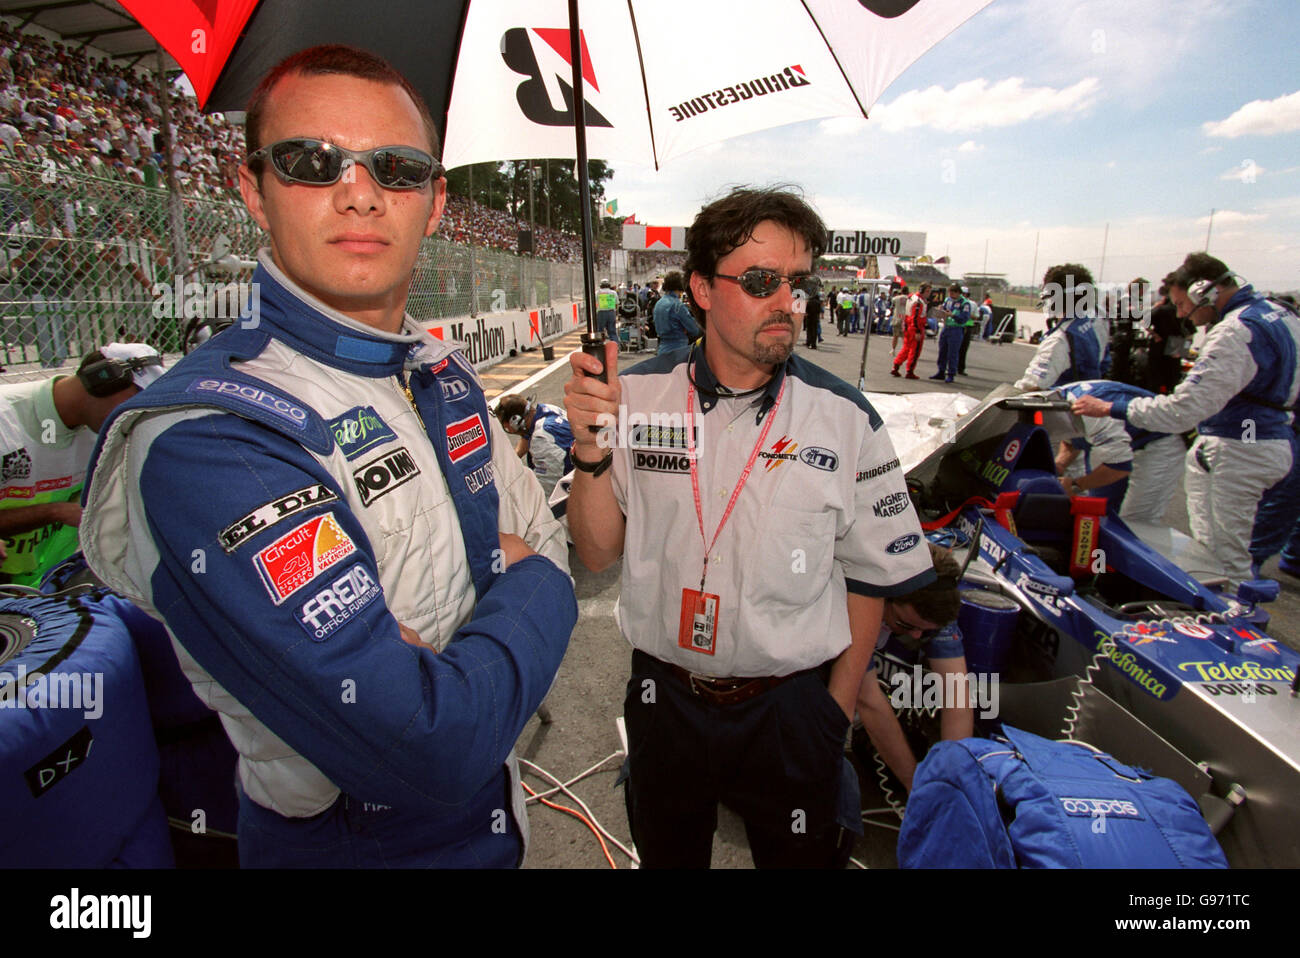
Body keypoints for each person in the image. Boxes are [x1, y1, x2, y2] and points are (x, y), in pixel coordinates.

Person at [78, 45, 576, 868]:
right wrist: (536, 586)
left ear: (435, 201)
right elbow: (431, 744)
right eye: (312, 161)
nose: (359, 191)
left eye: (397, 166)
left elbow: (542, 534)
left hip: (497, 810)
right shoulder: (206, 437)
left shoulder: (439, 373)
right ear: (253, 191)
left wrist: (469, 658)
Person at [561, 186, 935, 869]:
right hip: (663, 701)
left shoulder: (846, 417)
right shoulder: (634, 397)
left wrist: (835, 711)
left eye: (797, 282)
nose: (786, 302)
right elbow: (594, 551)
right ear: (701, 288)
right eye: (761, 281)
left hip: (791, 711)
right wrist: (589, 447)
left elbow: (871, 574)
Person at [1072, 253, 1300, 587]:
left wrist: (1111, 408)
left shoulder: (1236, 332)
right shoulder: (1282, 315)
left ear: (1203, 291)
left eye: (1181, 305)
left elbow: (1182, 411)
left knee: (1223, 561)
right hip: (1271, 440)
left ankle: (1231, 625)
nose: (1181, 314)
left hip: (1239, 447)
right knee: (1224, 554)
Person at [0, 343, 162, 586]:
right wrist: (56, 511)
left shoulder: (106, 432)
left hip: (46, 582)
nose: (139, 413)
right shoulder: (6, 418)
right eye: (138, 398)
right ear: (102, 380)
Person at [855, 545, 971, 791]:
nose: (916, 635)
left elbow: (957, 697)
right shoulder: (861, 592)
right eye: (905, 624)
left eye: (926, 631)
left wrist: (949, 786)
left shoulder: (938, 603)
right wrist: (916, 788)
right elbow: (868, 700)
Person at [1035, 380, 1186, 523]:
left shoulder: (1083, 409)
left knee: (1135, 519)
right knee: (1098, 507)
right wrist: (1060, 464)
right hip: (1124, 438)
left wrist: (1075, 485)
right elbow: (1070, 437)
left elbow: (1119, 468)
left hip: (1160, 440)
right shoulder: (1053, 401)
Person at [1015, 263, 1109, 391]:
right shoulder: (1096, 324)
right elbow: (1104, 363)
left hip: (1062, 405)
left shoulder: (1059, 340)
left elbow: (1029, 387)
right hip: (1089, 400)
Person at [494, 393, 574, 504]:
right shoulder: (546, 410)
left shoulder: (541, 440)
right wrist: (512, 460)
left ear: (514, 421)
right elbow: (526, 437)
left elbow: (546, 490)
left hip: (571, 489)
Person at [653, 269, 701, 355]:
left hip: (662, 349)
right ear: (680, 285)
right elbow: (694, 330)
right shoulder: (677, 306)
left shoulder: (658, 304)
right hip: (678, 350)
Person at [892, 282, 930, 379]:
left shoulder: (911, 297)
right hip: (913, 326)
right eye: (927, 291)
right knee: (914, 350)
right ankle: (909, 371)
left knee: (906, 347)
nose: (929, 293)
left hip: (906, 323)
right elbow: (915, 316)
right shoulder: (918, 301)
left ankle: (896, 365)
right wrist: (917, 330)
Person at [930, 283, 965, 383]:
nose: (951, 295)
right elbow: (945, 308)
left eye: (953, 293)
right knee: (942, 351)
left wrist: (953, 315)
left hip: (956, 329)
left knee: (952, 353)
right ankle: (941, 371)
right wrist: (941, 309)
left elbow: (964, 319)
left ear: (958, 293)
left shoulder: (964, 303)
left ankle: (951, 374)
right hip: (946, 327)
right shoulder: (948, 300)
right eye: (950, 293)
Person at [956, 286, 977, 374]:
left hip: (967, 327)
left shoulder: (972, 304)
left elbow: (976, 316)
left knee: (963, 348)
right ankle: (952, 367)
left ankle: (961, 368)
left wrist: (967, 315)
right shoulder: (955, 302)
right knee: (954, 348)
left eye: (964, 294)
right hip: (957, 326)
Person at [596, 277, 620, 343]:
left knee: (600, 331)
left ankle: (599, 346)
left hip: (601, 313)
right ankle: (615, 346)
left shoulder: (598, 293)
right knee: (612, 331)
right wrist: (615, 313)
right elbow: (617, 304)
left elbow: (595, 303)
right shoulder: (613, 293)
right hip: (611, 313)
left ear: (601, 285)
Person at [891, 284, 909, 352]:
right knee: (904, 336)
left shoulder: (896, 298)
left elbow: (892, 305)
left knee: (895, 336)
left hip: (897, 318)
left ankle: (893, 349)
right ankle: (905, 350)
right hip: (905, 318)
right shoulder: (909, 298)